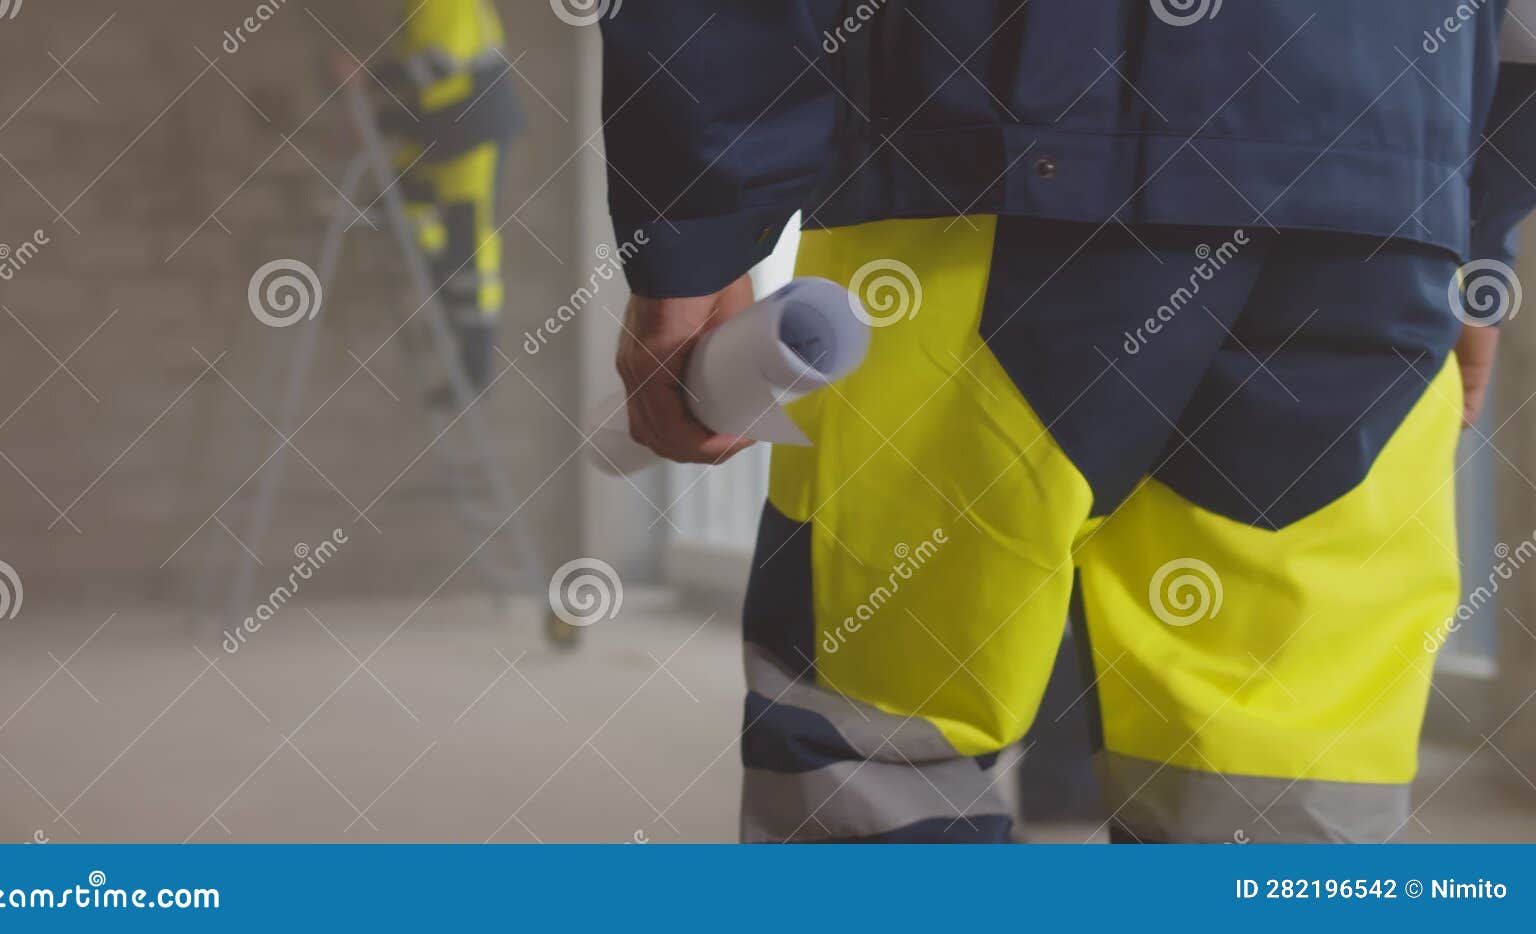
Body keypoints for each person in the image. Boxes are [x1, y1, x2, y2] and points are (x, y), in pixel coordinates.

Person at [599, 1, 1536, 843]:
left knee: (883, 749)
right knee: (1281, 786)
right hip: (1379, 219)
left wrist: (695, 221)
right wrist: (1480, 223)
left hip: (985, 186)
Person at [332, 0, 523, 389]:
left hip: (473, 137)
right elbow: (432, 91)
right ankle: (439, 289)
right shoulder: (417, 8)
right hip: (444, 134)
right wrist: (379, 117)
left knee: (470, 254)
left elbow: (439, 66)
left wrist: (369, 76)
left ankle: (474, 370)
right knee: (410, 212)